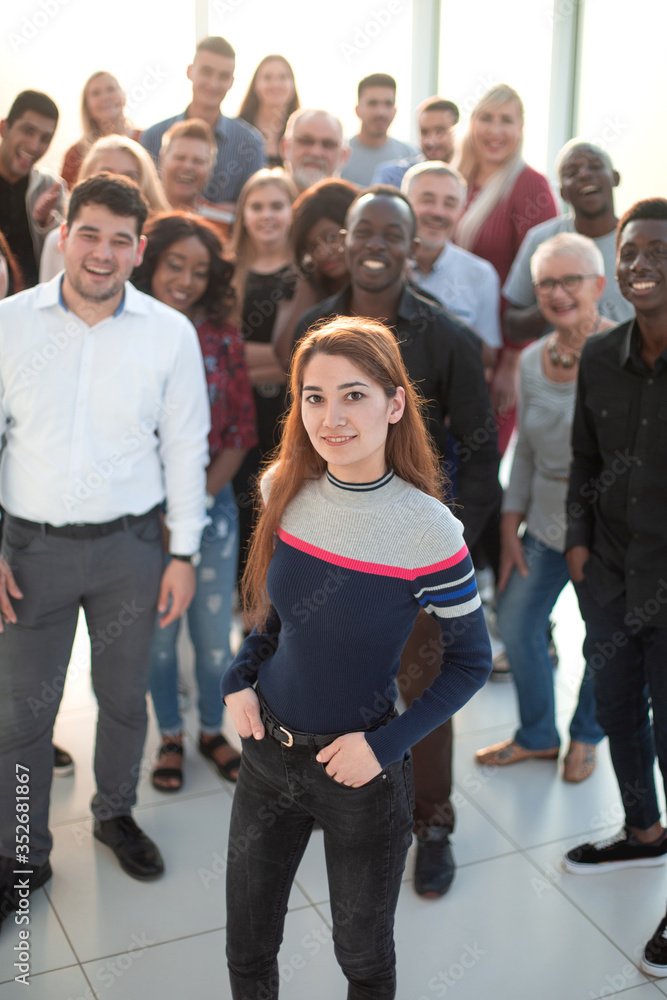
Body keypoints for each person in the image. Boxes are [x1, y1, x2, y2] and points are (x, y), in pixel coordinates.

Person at [222, 316, 492, 999]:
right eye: (313, 396)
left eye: (353, 395)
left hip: (362, 773)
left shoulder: (427, 530)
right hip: (267, 755)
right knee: (248, 945)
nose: (330, 416)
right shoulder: (281, 486)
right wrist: (238, 678)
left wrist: (384, 747)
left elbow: (469, 663)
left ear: (394, 404)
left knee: (361, 956)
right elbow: (278, 620)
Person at [0, 174, 210, 930]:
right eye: (89, 232)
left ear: (139, 249)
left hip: (131, 550)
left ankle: (115, 813)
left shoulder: (168, 334)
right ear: (62, 232)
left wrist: (183, 554)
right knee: (22, 717)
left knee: (125, 701)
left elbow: (187, 448)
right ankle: (20, 853)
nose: (102, 251)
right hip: (30, 554)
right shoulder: (9, 325)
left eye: (120, 238)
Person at [294, 186, 501, 898]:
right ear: (343, 243)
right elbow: (296, 443)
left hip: (413, 557)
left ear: (413, 248)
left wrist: (446, 550)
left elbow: (478, 453)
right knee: (334, 685)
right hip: (327, 551)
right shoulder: (317, 327)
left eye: (393, 233)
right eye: (363, 232)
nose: (376, 245)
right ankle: (337, 795)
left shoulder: (445, 338)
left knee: (421, 689)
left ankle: (431, 820)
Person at [558, 199, 667, 978]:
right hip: (608, 579)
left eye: (655, 250)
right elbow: (583, 461)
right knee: (614, 710)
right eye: (628, 251)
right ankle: (642, 834)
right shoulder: (599, 357)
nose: (638, 263)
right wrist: (575, 545)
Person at [475, 233, 611, 779]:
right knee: (515, 617)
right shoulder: (532, 359)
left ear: (599, 286)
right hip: (544, 518)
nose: (559, 293)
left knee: (605, 635)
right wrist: (510, 526)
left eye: (570, 280)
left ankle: (587, 734)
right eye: (547, 283)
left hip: (606, 526)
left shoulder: (623, 352)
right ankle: (536, 735)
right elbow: (525, 449)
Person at [132, 212, 257, 790]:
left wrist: (190, 507)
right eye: (174, 264)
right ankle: (171, 736)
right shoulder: (123, 328)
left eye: (199, 270)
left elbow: (238, 435)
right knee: (158, 636)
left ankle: (212, 728)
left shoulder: (222, 335)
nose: (184, 278)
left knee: (212, 638)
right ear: (150, 261)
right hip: (134, 516)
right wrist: (157, 512)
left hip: (209, 510)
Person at [456, 83, 559, 455]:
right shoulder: (457, 180)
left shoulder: (530, 186)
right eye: (486, 118)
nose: (494, 131)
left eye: (506, 121)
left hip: (499, 350)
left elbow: (541, 280)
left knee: (481, 461)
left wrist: (512, 362)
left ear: (521, 129)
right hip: (450, 342)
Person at [229, 168, 298, 585]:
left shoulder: (299, 277)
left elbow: (289, 359)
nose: (267, 215)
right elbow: (215, 351)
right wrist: (261, 358)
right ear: (243, 213)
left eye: (277, 205)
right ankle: (242, 599)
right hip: (238, 410)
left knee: (281, 503)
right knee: (242, 505)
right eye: (257, 206)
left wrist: (238, 356)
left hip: (283, 409)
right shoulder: (229, 271)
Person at [504, 140, 634, 342]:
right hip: (559, 367)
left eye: (595, 166)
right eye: (572, 172)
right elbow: (512, 325)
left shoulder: (640, 239)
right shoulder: (541, 240)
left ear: (615, 178)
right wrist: (555, 303)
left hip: (627, 369)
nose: (584, 174)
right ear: (563, 193)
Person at [141, 36, 267, 215]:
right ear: (190, 72)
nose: (213, 83)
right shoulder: (153, 136)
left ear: (231, 82)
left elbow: (258, 207)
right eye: (206, 72)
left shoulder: (250, 143)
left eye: (223, 76)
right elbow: (139, 198)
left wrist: (219, 212)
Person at [401, 161, 501, 363]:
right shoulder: (384, 269)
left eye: (449, 203)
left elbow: (488, 356)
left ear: (461, 212)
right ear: (404, 205)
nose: (438, 212)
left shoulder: (480, 274)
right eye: (427, 200)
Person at [39, 134, 169, 282]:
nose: (116, 184)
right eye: (106, 174)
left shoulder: (163, 244)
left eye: (129, 177)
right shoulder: (58, 240)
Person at [0, 90, 67, 288]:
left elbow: (66, 253)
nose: (34, 145)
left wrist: (45, 221)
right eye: (28, 131)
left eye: (45, 138)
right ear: (4, 128)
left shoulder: (52, 187)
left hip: (33, 307)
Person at [60, 71, 142, 190]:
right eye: (96, 93)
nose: (105, 97)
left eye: (111, 89)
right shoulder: (75, 154)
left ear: (124, 96)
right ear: (87, 106)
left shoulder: (146, 139)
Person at [340, 73, 418, 188]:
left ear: (395, 111)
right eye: (372, 103)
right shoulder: (340, 155)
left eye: (388, 104)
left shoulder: (411, 156)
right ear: (357, 110)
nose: (381, 112)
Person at [374, 97, 460, 188]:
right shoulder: (392, 177)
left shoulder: (470, 179)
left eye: (440, 131)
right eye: (424, 132)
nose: (431, 141)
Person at [237, 55, 299, 168]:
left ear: (293, 85)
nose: (275, 84)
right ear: (255, 85)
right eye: (267, 77)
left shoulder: (302, 131)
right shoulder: (237, 129)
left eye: (283, 77)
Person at [281, 109, 350, 194]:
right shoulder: (263, 200)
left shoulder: (356, 205)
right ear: (285, 147)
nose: (316, 152)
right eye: (306, 141)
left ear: (343, 156)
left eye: (328, 144)